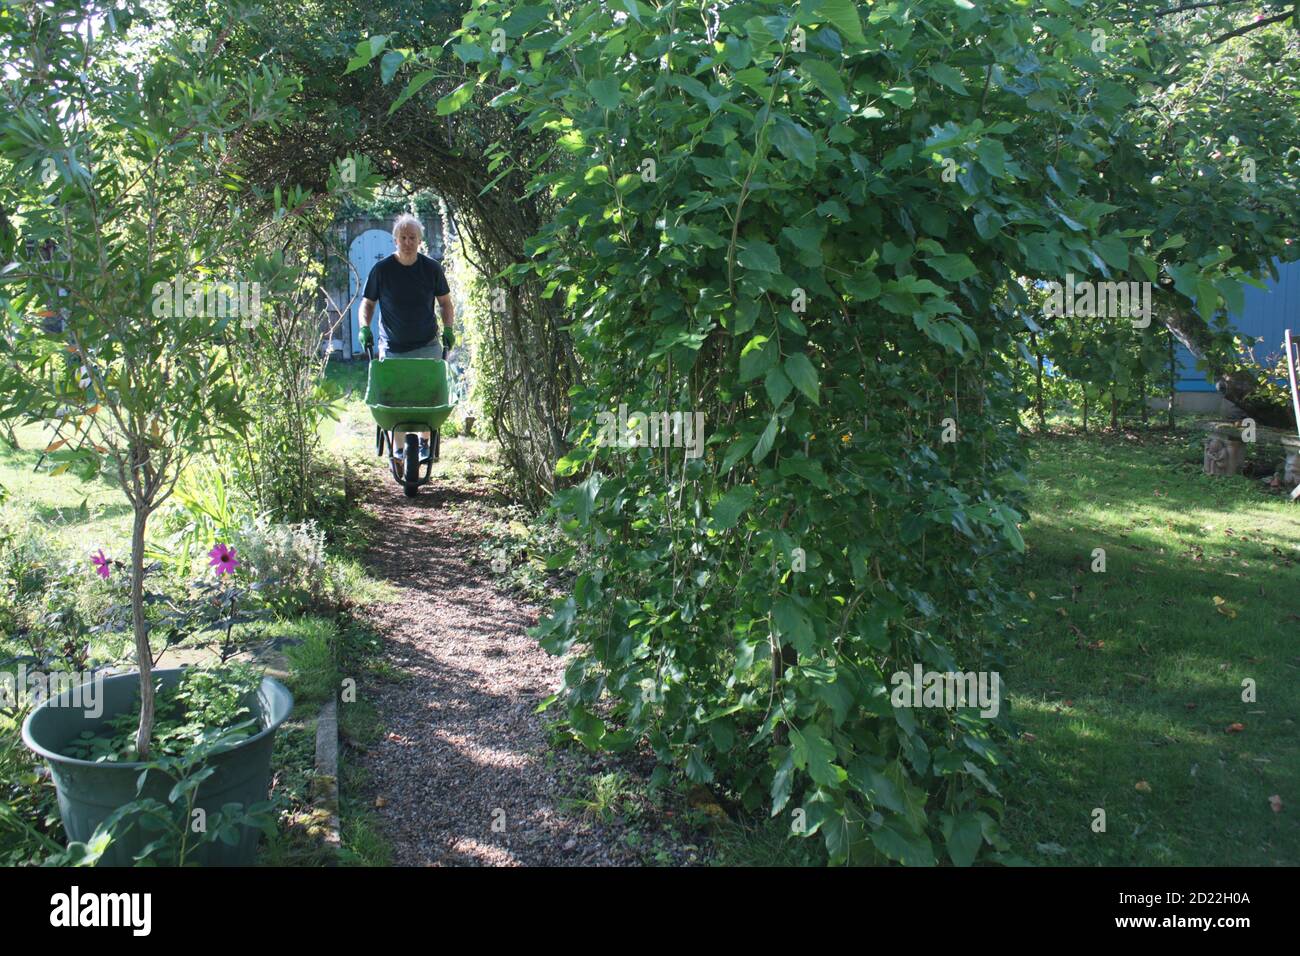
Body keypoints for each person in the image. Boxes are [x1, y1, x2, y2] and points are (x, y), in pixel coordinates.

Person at [358, 213, 455, 459]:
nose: (408, 242)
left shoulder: (431, 268)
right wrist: (363, 327)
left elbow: (445, 303)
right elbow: (367, 303)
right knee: (394, 402)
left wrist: (449, 329)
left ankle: (425, 444)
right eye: (403, 237)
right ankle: (398, 449)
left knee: (428, 399)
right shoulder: (382, 270)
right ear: (395, 240)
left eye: (413, 237)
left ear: (420, 240)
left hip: (427, 344)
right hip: (392, 346)